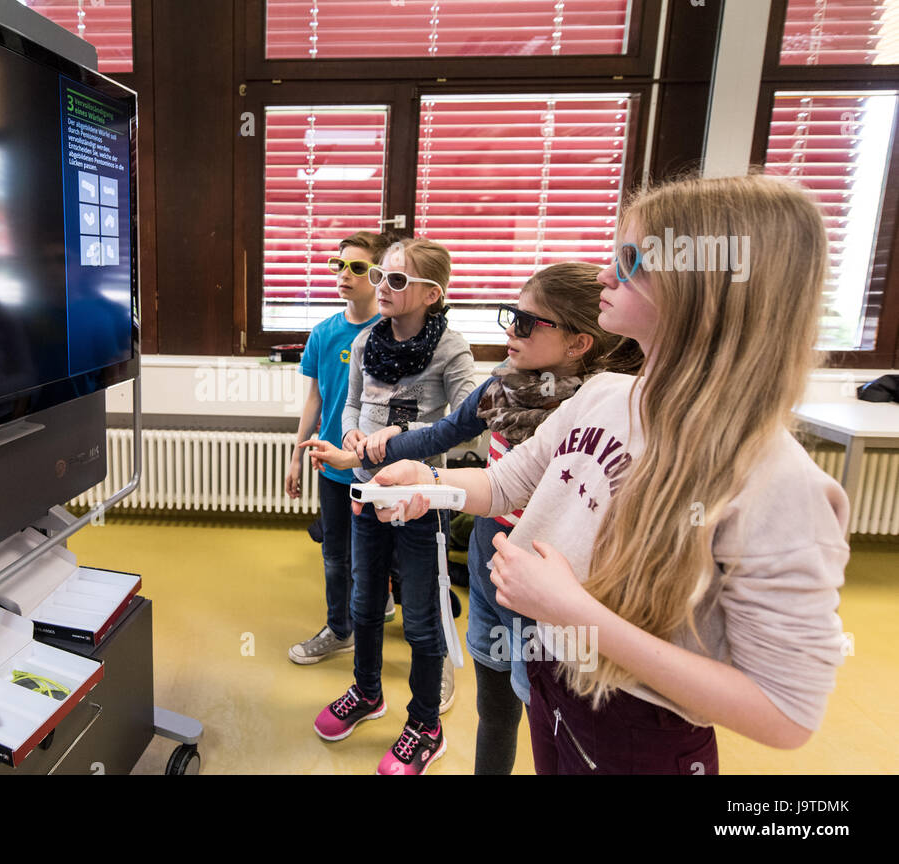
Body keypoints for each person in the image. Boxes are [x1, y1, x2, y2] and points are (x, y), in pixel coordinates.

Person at [363, 173, 850, 774]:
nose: (602, 277)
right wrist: (425, 484)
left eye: (628, 260)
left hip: (639, 736)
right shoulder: (604, 397)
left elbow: (785, 713)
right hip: (553, 683)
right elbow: (505, 485)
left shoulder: (779, 482)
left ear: (704, 287)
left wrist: (573, 610)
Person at [307, 261, 642, 774]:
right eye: (511, 315)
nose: (511, 330)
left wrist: (415, 477)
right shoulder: (502, 385)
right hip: (492, 568)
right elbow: (440, 438)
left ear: (578, 345)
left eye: (528, 323)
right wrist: (361, 458)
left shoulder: (597, 410)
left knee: (553, 722)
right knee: (496, 712)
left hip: (552, 590)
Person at [307, 238, 474, 775]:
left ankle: (426, 724)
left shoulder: (451, 348)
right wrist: (354, 432)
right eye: (380, 275)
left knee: (422, 620)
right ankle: (368, 693)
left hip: (418, 502)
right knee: (364, 605)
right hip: (365, 494)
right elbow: (353, 402)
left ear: (431, 294)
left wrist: (400, 437)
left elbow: (467, 418)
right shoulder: (366, 341)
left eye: (396, 281)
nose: (381, 287)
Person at [286, 231, 392, 665]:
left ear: (380, 275)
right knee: (334, 556)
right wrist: (295, 456)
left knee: (379, 555)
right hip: (332, 465)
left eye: (357, 267)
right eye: (339, 264)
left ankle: (379, 604)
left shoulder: (392, 334)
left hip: (380, 468)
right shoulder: (324, 333)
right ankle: (339, 628)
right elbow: (314, 399)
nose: (344, 275)